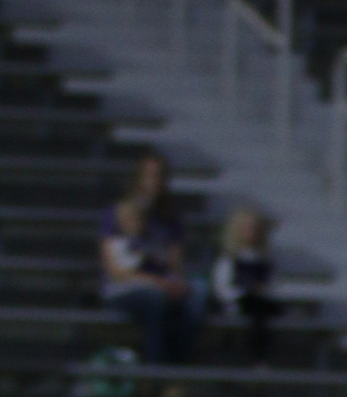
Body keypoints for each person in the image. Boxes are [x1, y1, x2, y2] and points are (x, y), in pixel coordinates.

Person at [98, 153, 205, 366]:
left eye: (159, 176)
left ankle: (180, 366)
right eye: (149, 176)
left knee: (197, 296)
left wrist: (176, 283)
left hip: (162, 282)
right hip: (129, 287)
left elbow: (175, 264)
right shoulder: (118, 214)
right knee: (155, 300)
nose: (154, 182)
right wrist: (157, 283)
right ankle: (155, 368)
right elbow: (117, 270)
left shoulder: (170, 219)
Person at [209, 207, 281, 365]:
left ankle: (259, 359)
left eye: (255, 228)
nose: (251, 232)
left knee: (263, 310)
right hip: (237, 302)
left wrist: (260, 291)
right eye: (247, 228)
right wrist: (244, 293)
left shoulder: (264, 260)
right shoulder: (229, 258)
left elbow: (271, 286)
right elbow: (222, 289)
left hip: (258, 303)